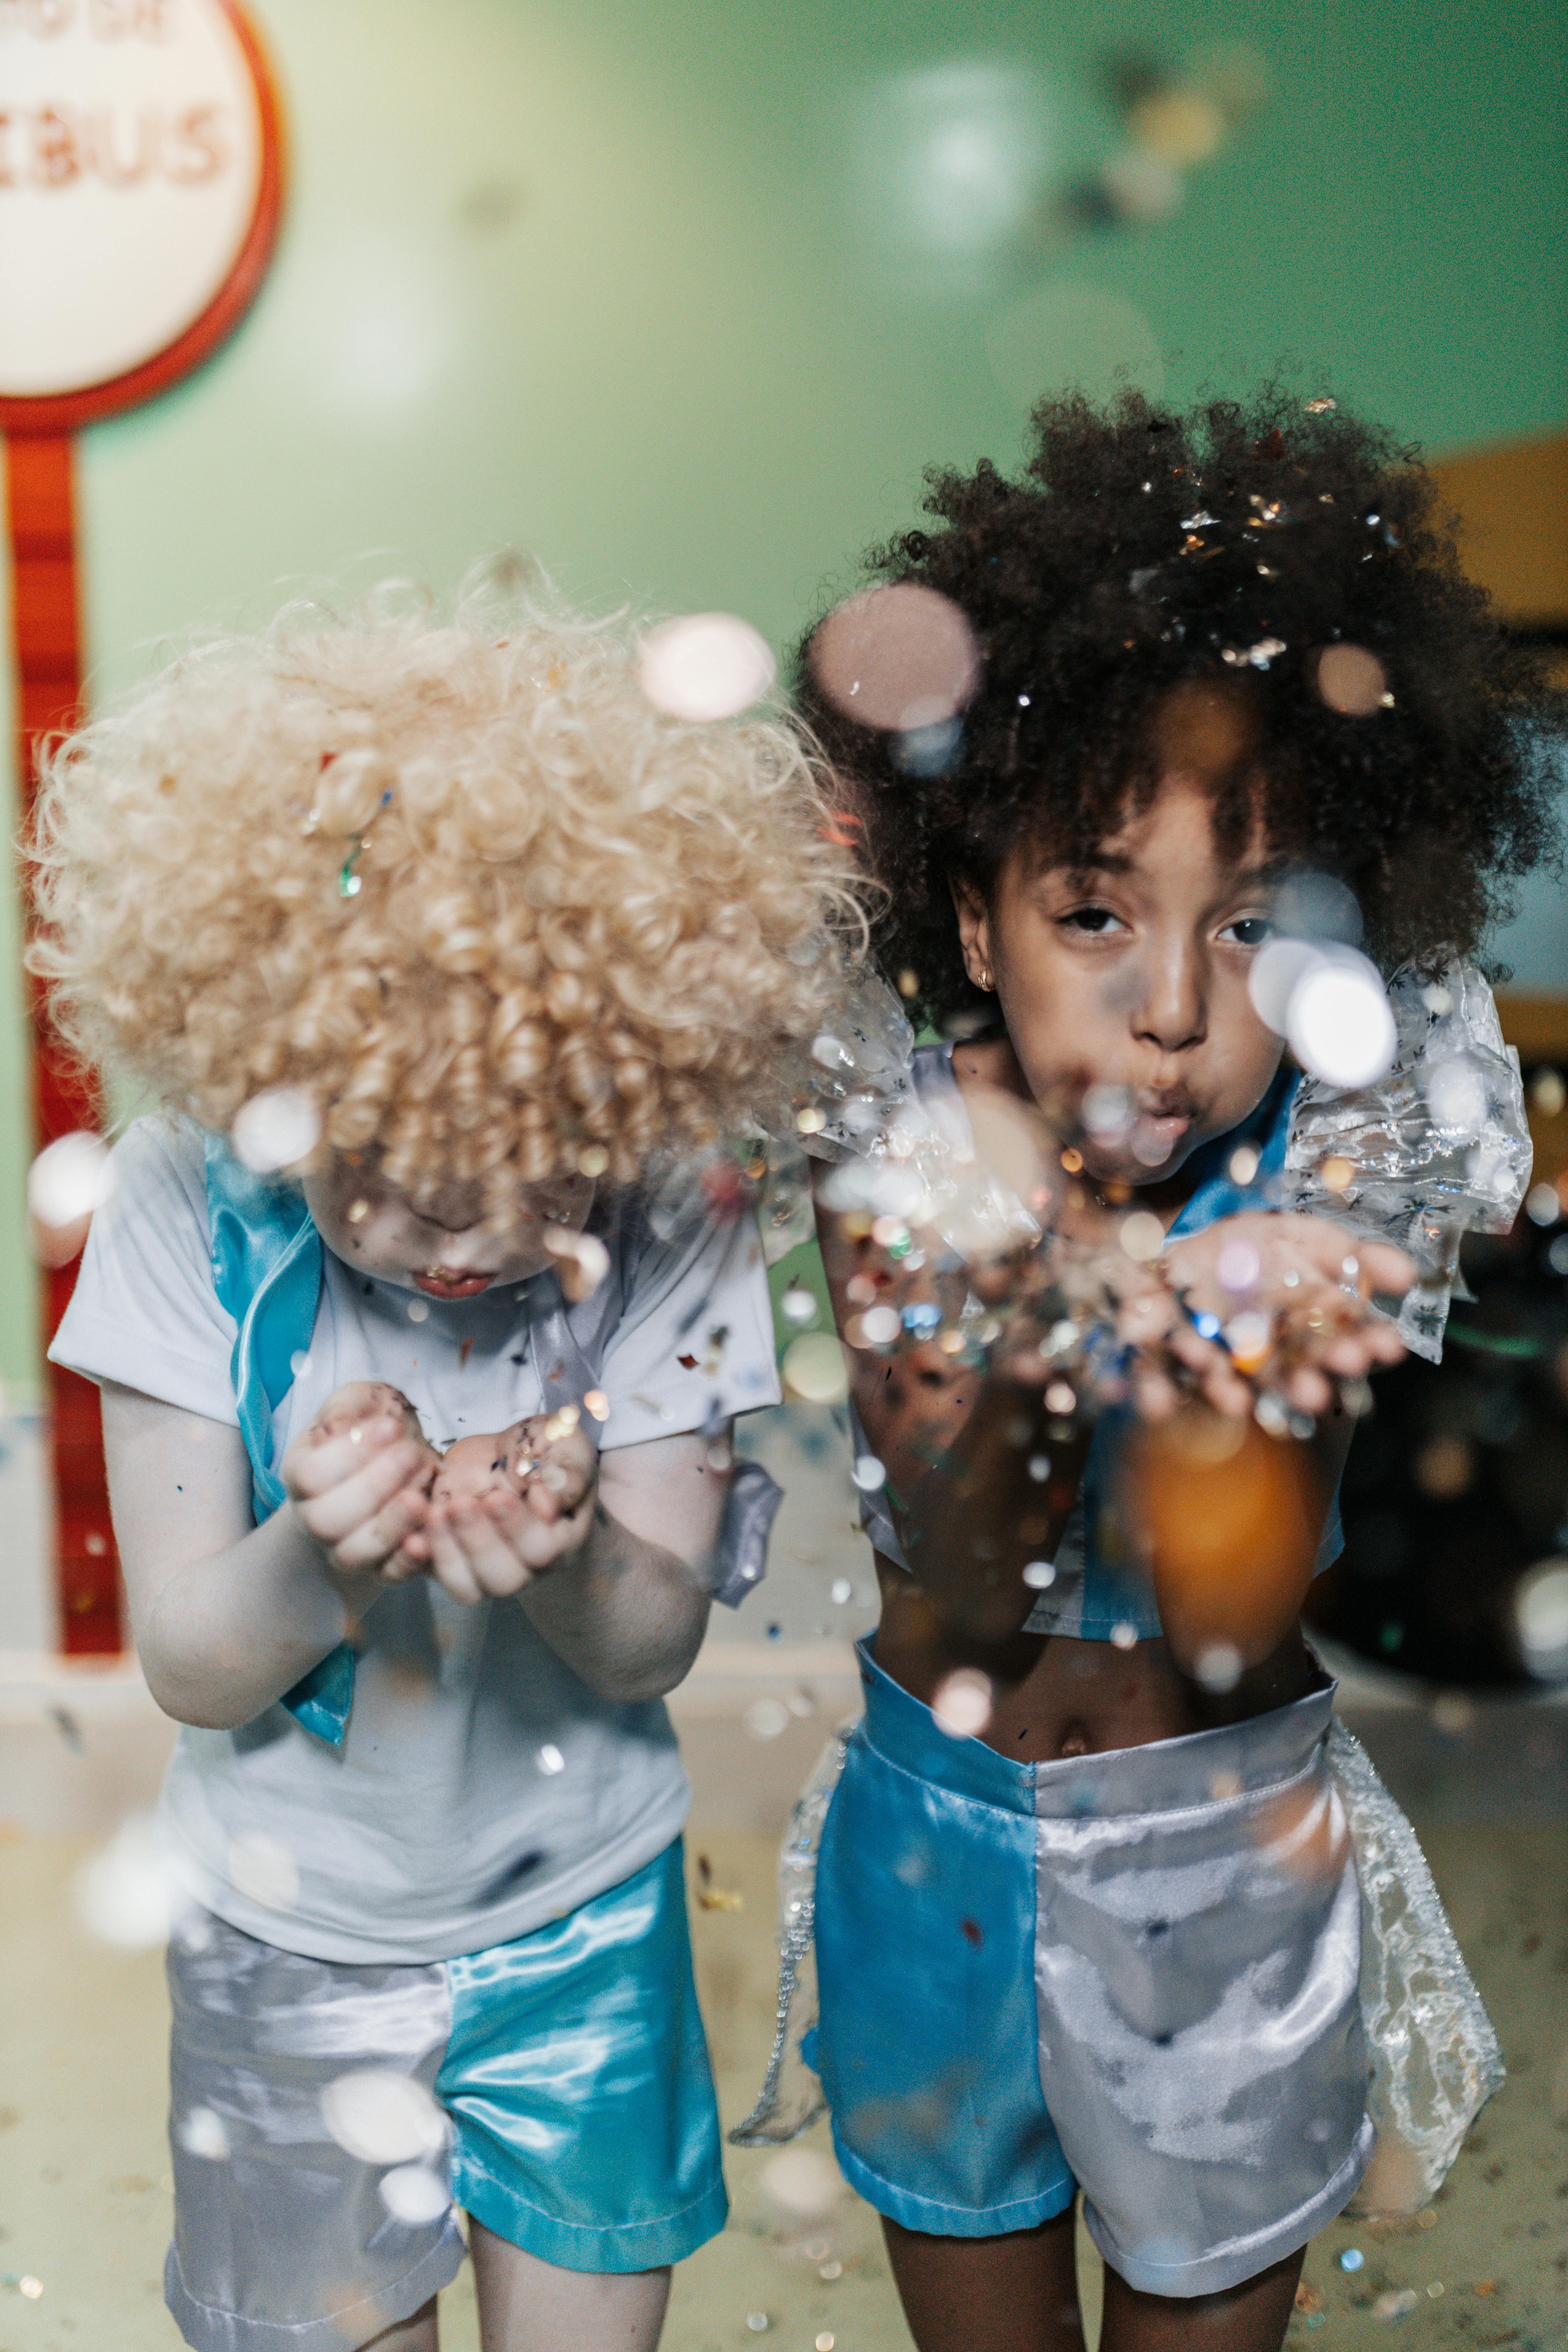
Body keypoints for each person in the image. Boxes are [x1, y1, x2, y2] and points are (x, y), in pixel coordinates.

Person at [784, 391, 1559, 2352]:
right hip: (936, 1849)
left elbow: (1236, 1599)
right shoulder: (901, 1140)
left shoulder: (1344, 1156)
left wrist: (1240, 1348)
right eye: (1096, 913)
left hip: (1219, 1864)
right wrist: (1077, 1302)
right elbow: (965, 1556)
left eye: (1250, 926)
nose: (1178, 1012)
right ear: (974, 911)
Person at [31, 592, 857, 2352]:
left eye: (536, 1154)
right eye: (388, 1155)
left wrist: (562, 1552)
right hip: (286, 1939)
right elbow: (187, 1668)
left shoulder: (676, 1198)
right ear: (272, 1064)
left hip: (583, 1918)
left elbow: (647, 1652)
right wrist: (318, 1561)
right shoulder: (185, 1191)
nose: (466, 1234)